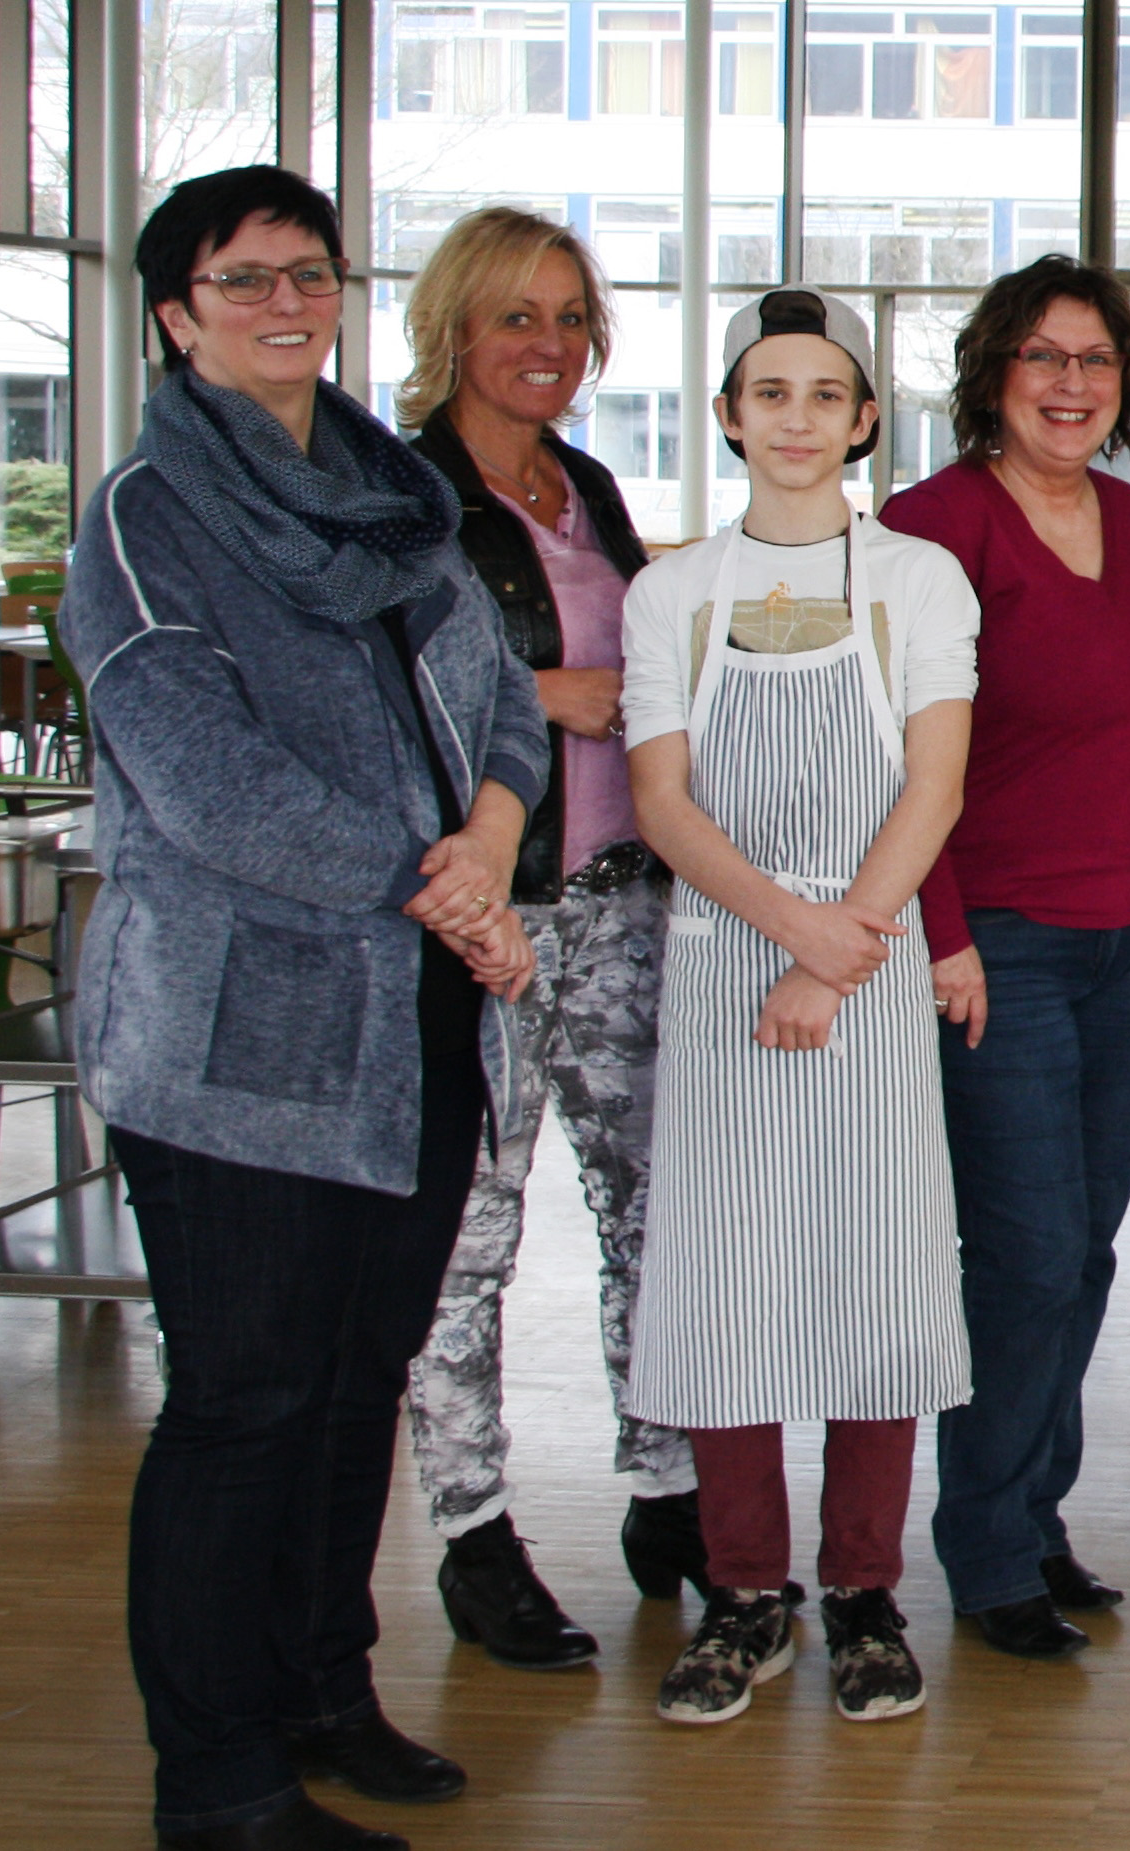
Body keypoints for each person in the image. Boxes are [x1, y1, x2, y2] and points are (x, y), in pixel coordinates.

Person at [66, 164, 544, 1851]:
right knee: (245, 1406)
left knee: (355, 1386)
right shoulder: (147, 516)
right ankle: (218, 1782)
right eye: (245, 278)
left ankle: (323, 1691)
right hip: (242, 1044)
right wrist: (441, 885)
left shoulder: (393, 496)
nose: (287, 303)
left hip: (415, 1026)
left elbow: (504, 703)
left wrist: (493, 834)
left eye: (311, 273)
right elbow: (206, 779)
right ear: (176, 315)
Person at [619, 289, 980, 1725]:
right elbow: (662, 801)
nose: (795, 418)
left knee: (875, 1278)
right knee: (727, 1287)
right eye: (767, 392)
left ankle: (864, 1592)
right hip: (724, 961)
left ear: (865, 419)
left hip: (868, 963)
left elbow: (934, 785)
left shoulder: (919, 581)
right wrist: (791, 936)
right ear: (726, 416)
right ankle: (745, 1594)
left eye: (825, 394)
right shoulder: (672, 593)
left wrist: (836, 953)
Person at [394, 203, 702, 1672]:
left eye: (573, 318)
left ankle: (668, 1489)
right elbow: (374, 688)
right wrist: (545, 692)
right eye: (517, 314)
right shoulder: (402, 495)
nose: (550, 344)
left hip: (627, 904)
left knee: (657, 1210)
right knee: (472, 1234)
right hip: (488, 920)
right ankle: (474, 1533)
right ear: (453, 324)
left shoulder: (584, 486)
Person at [881, 255, 1130, 1660]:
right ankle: (986, 1546)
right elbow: (897, 764)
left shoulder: (1129, 520)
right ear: (992, 376)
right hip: (996, 943)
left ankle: (1034, 1510)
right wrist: (942, 935)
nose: (1072, 385)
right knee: (1021, 1257)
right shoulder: (932, 527)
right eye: (1043, 358)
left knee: (1083, 1251)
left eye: (1097, 360)